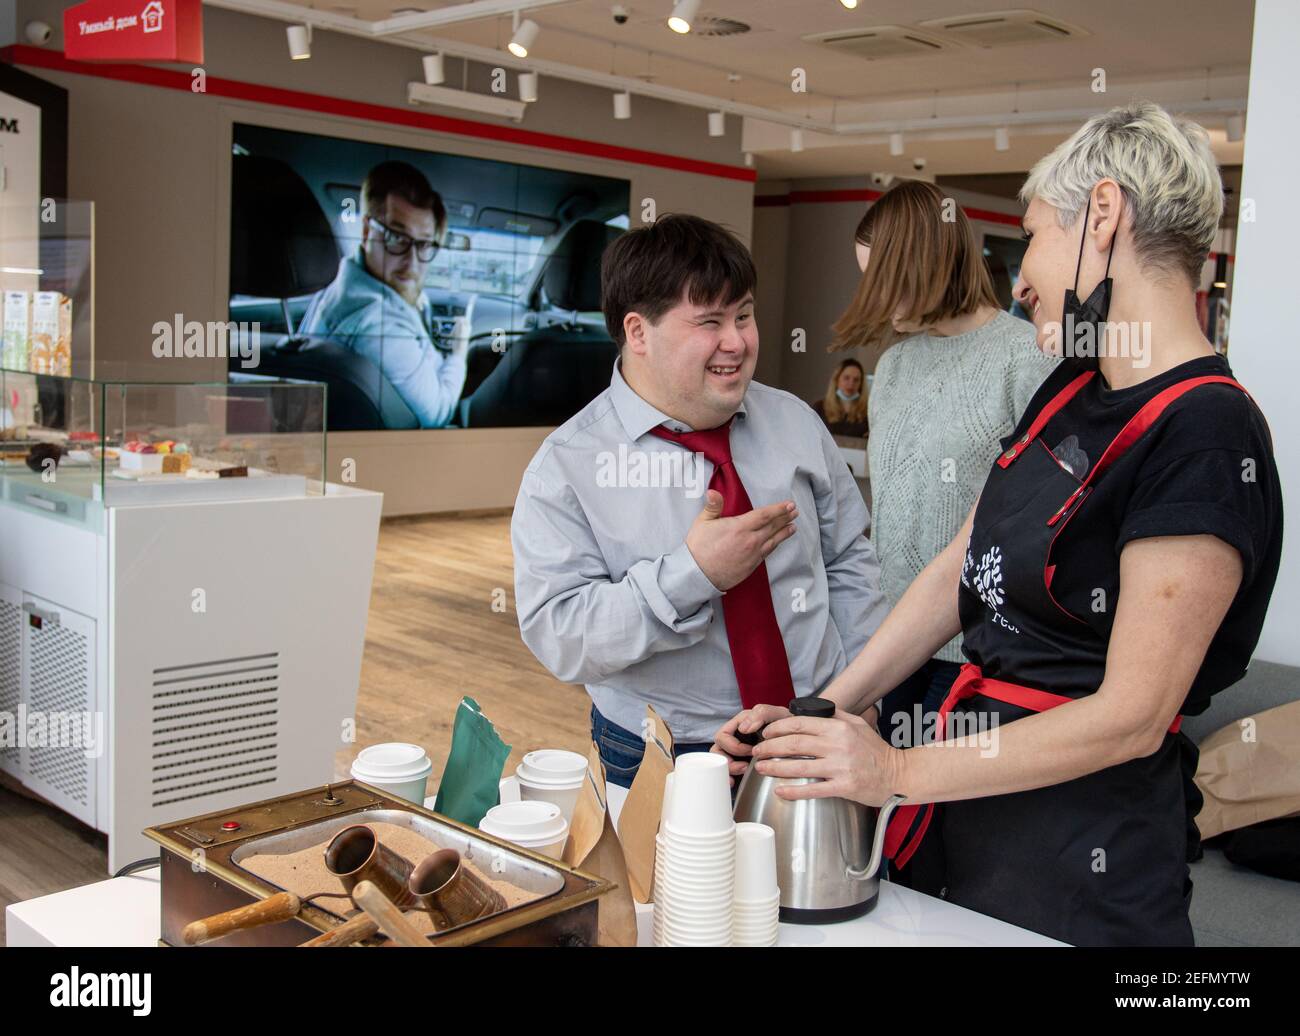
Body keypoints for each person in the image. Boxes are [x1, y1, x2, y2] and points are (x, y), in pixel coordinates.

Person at [715, 102, 1283, 946]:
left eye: (1033, 240)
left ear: (1102, 215)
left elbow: (1130, 713)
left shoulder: (1204, 430)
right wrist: (823, 713)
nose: (1018, 279)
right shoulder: (1068, 392)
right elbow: (958, 569)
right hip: (969, 823)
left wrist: (898, 769)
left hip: (1085, 864)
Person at [512, 214, 889, 788]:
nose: (736, 342)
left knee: (836, 879)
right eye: (709, 322)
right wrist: (691, 575)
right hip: (665, 753)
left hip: (817, 725)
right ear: (638, 332)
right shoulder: (566, 466)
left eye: (744, 315)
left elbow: (848, 561)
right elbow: (561, 635)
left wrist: (862, 695)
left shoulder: (795, 423)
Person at [831, 180, 1057, 753]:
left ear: (927, 262)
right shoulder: (896, 364)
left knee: (938, 826)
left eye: (882, 281)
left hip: (978, 655)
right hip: (890, 649)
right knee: (883, 824)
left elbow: (1041, 526)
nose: (875, 299)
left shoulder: (1025, 359)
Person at [300, 160, 470, 428]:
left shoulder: (342, 291)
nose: (412, 264)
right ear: (367, 231)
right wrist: (459, 352)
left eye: (424, 244)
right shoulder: (376, 323)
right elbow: (438, 414)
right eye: (396, 238)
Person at [812, 358, 869, 438]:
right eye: (846, 378)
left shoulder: (868, 412)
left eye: (856, 380)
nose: (851, 383)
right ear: (837, 380)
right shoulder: (820, 407)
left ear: (861, 384)